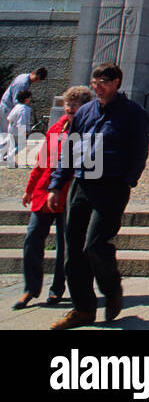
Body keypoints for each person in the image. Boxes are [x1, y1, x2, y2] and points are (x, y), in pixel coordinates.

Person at [46, 62, 149, 330]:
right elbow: (69, 149)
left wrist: (128, 180)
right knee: (73, 251)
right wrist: (57, 185)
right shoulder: (85, 112)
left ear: (116, 82)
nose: (97, 86)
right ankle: (83, 309)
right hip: (82, 184)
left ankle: (111, 287)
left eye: (103, 80)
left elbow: (140, 150)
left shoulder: (132, 113)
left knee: (95, 244)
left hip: (112, 186)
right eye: (94, 81)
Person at [14, 85, 90, 309]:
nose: (70, 110)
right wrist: (29, 188)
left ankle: (57, 289)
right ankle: (30, 288)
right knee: (33, 237)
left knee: (65, 245)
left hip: (69, 195)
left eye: (75, 106)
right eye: (68, 106)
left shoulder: (89, 132)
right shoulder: (56, 128)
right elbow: (41, 161)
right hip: (44, 192)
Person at [2, 90, 33, 167]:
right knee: (21, 145)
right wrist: (24, 131)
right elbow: (22, 121)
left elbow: (9, 117)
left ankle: (9, 160)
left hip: (11, 127)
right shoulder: (24, 109)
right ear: (26, 99)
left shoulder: (16, 106)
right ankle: (8, 158)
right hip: (19, 129)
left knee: (12, 145)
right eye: (29, 98)